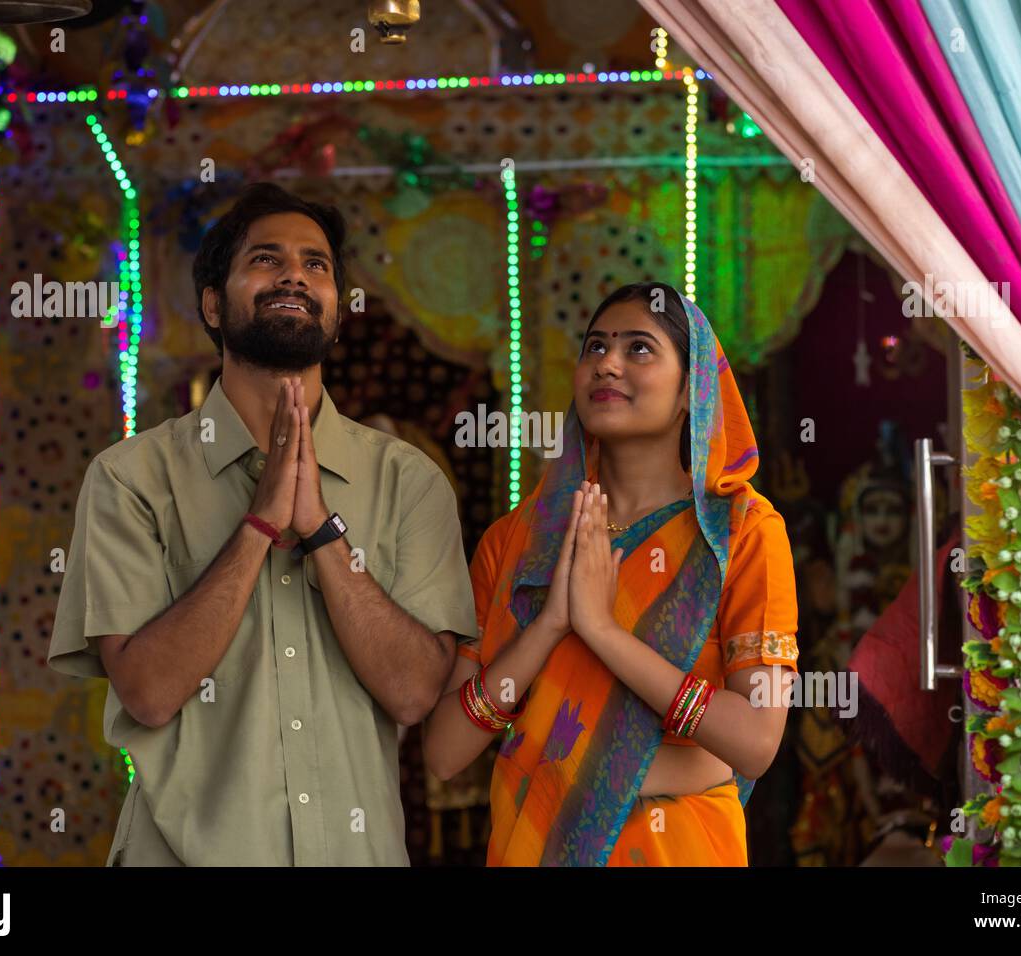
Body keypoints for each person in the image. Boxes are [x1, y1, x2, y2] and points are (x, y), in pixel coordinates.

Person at [47, 183, 478, 865]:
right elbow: (149, 694)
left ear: (337, 309)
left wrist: (321, 530)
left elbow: (414, 693)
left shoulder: (408, 480)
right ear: (213, 305)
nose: (294, 276)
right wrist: (258, 525)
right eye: (266, 259)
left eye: (316, 264)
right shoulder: (131, 478)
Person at [422, 282, 800, 866]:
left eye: (639, 348)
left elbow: (754, 742)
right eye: (595, 346)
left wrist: (601, 631)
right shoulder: (518, 541)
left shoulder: (740, 534)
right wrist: (549, 625)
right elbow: (445, 752)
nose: (608, 363)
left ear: (690, 390)